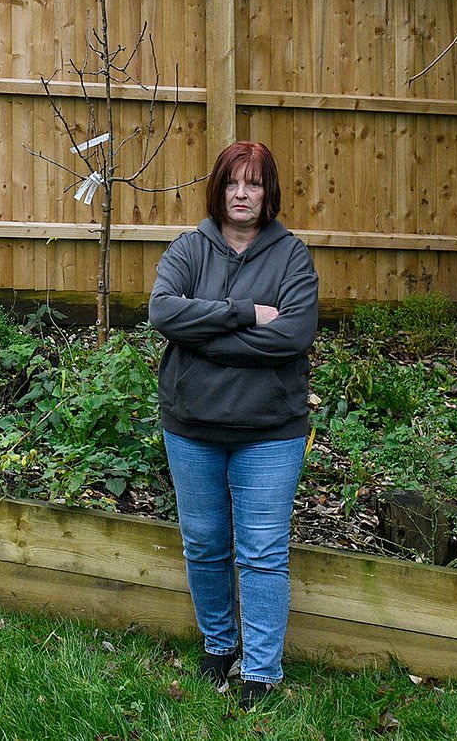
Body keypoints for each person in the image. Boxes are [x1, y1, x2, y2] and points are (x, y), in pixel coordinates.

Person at [148, 140, 319, 711]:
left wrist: (205, 337)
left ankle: (262, 670)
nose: (242, 194)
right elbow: (163, 313)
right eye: (231, 183)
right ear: (218, 190)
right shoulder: (189, 248)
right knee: (203, 543)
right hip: (191, 426)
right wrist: (245, 315)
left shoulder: (292, 256)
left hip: (271, 431)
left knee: (263, 550)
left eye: (253, 183)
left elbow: (293, 336)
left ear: (268, 191)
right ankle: (219, 647)